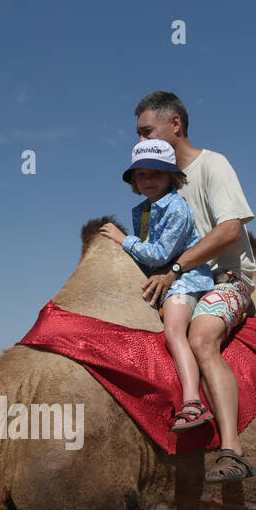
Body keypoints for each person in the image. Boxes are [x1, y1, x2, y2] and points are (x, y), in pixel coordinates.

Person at [130, 91, 256, 483]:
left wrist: (176, 268)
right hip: (182, 282)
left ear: (176, 125)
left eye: (146, 131)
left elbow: (230, 228)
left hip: (226, 278)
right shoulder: (161, 190)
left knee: (202, 339)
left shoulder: (212, 165)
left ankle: (232, 450)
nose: (140, 142)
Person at [98, 139, 217, 432]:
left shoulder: (176, 208)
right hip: (163, 278)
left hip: (185, 279)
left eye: (156, 173)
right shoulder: (146, 210)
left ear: (171, 176)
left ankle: (193, 403)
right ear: (134, 181)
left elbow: (159, 254)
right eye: (142, 175)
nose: (148, 180)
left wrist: (122, 238)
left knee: (174, 331)